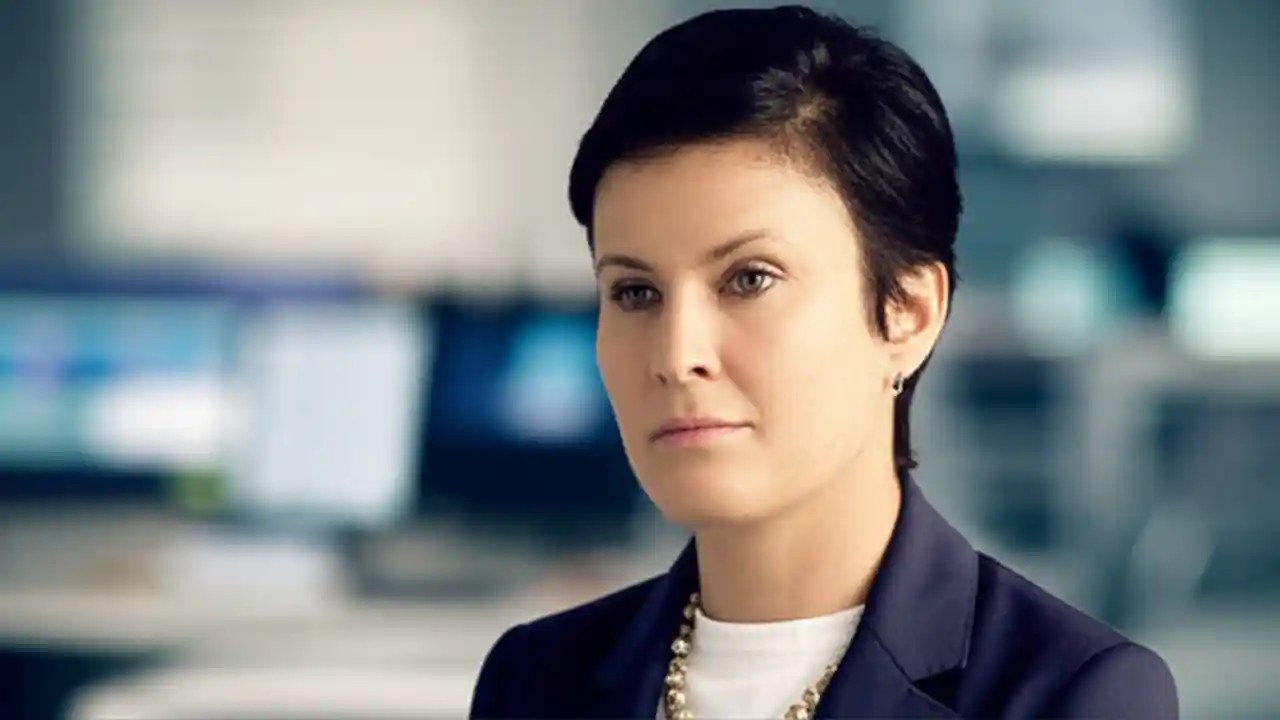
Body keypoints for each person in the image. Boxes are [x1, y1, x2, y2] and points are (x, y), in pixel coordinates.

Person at [470, 5, 1178, 718]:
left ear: (907, 312)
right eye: (634, 292)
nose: (677, 355)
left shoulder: (1072, 693)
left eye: (750, 279)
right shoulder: (533, 678)